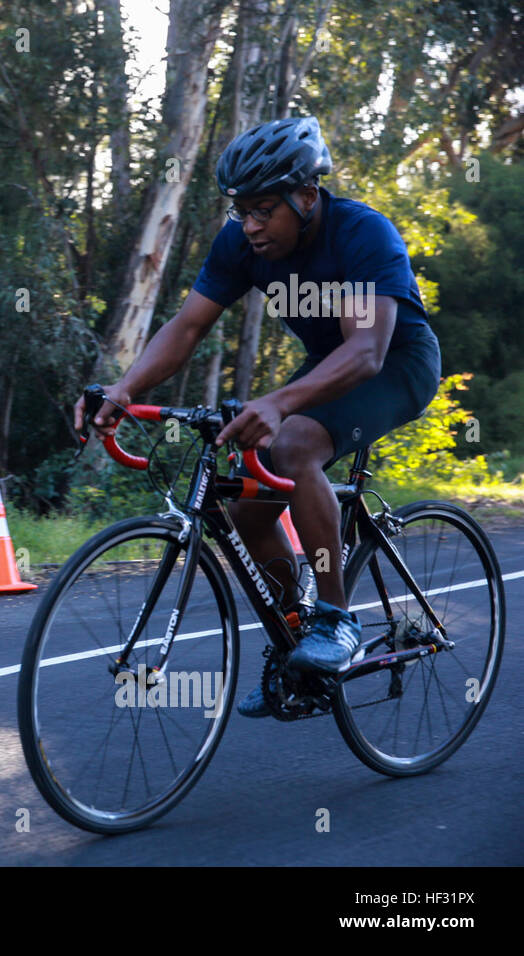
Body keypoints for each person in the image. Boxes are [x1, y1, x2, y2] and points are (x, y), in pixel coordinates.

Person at [74, 116, 441, 717]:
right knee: (248, 505)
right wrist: (124, 388)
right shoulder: (241, 244)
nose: (249, 226)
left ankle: (336, 620)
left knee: (294, 445)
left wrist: (277, 401)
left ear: (307, 195)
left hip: (395, 363)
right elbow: (187, 327)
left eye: (263, 210)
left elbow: (366, 351)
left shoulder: (362, 233)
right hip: (328, 362)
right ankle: (296, 640)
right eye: (240, 211)